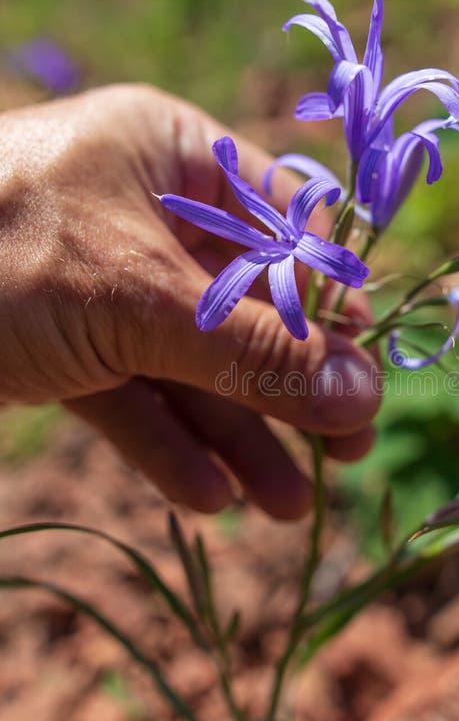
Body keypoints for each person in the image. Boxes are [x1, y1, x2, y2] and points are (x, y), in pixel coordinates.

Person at [0, 84, 380, 520]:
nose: (276, 240)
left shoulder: (287, 244)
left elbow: (330, 247)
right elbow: (283, 313)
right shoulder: (277, 253)